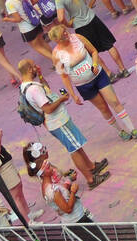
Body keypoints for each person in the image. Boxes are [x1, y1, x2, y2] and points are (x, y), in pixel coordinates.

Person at [17, 59, 110, 187]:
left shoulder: (26, 86)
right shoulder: (33, 90)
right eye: (33, 66)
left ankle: (91, 166)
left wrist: (40, 75)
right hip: (57, 122)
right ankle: (90, 179)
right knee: (74, 149)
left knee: (76, 145)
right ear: (28, 70)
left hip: (58, 121)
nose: (36, 67)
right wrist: (62, 99)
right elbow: (48, 109)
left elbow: (46, 90)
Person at [49, 25, 137, 142]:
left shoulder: (77, 38)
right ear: (57, 40)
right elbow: (63, 75)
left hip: (99, 76)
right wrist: (73, 94)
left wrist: (94, 64)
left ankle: (132, 129)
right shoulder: (56, 55)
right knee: (104, 108)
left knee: (114, 101)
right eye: (63, 35)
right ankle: (120, 131)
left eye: (65, 31)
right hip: (84, 86)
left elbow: (93, 51)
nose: (66, 34)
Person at [23, 141, 95, 223]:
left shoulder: (46, 175)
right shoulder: (51, 187)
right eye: (43, 151)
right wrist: (70, 183)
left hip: (72, 211)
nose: (46, 151)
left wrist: (65, 175)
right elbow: (66, 205)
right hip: (75, 216)